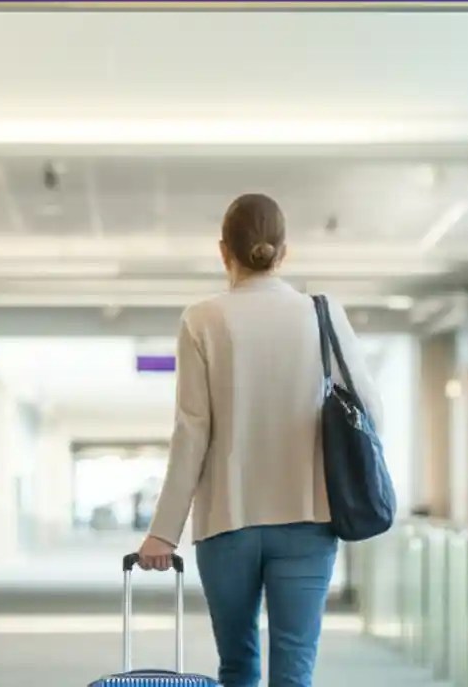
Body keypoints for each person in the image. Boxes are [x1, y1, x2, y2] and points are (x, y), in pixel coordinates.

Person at [135, 194, 383, 687]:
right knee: (294, 669)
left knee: (237, 664)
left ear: (222, 250)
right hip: (309, 516)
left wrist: (164, 529)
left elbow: (192, 431)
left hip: (227, 520)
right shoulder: (322, 313)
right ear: (283, 252)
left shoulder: (201, 319)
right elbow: (370, 410)